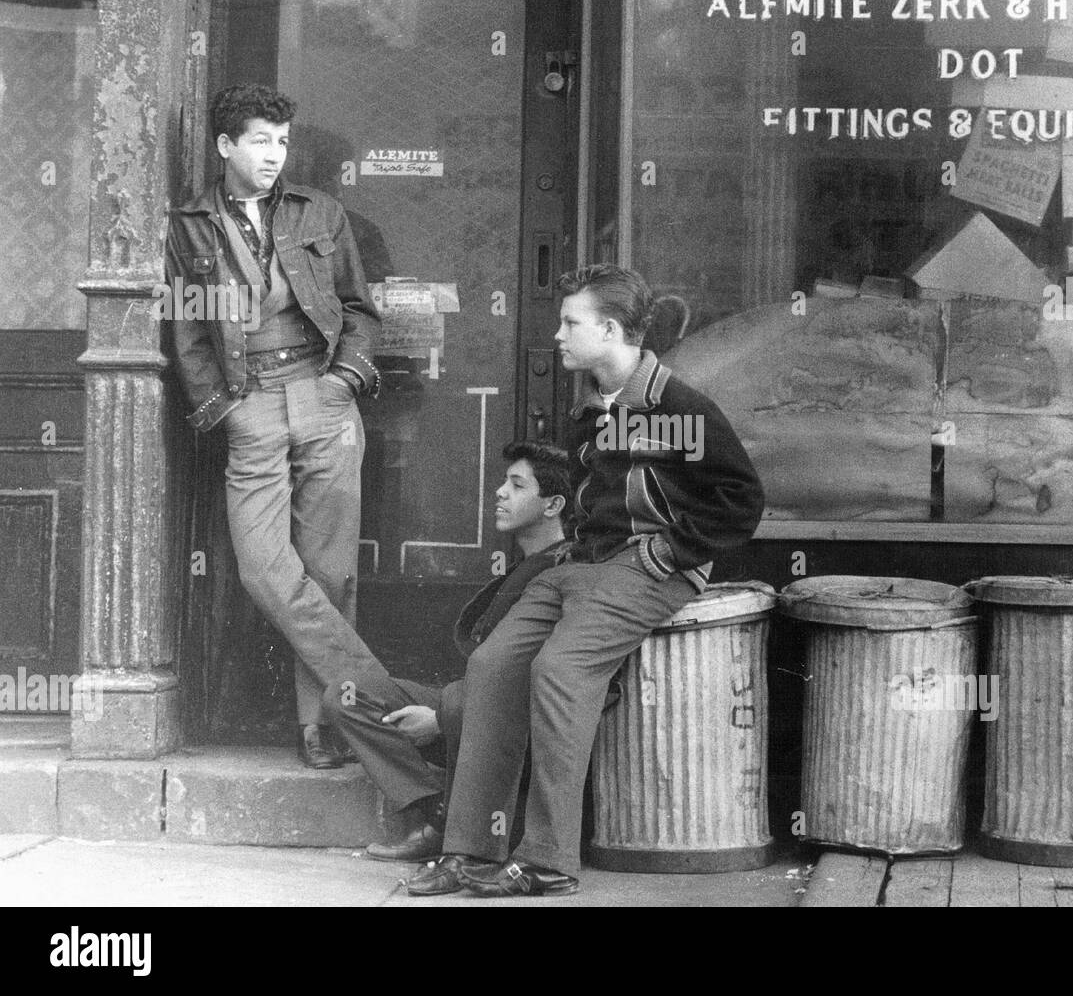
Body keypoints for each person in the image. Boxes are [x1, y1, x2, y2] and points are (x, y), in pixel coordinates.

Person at [410, 263, 765, 898]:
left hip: (648, 568)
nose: (558, 335)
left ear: (608, 328)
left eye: (570, 323)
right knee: (492, 665)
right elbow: (590, 487)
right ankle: (469, 851)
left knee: (561, 670)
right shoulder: (590, 412)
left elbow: (740, 500)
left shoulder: (678, 407)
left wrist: (672, 552)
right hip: (585, 564)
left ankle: (547, 860)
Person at [166, 83, 385, 769]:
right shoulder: (189, 226)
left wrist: (343, 381)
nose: (273, 154)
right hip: (250, 402)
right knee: (266, 571)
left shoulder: (320, 212)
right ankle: (383, 700)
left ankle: (327, 726)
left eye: (282, 141)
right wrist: (225, 411)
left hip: (322, 397)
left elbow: (360, 309)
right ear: (225, 145)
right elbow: (187, 332)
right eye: (260, 140)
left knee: (329, 574)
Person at [320, 441, 572, 863]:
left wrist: (440, 719)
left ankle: (455, 826)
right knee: (345, 694)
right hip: (468, 705)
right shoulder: (526, 562)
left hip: (512, 728)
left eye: (517, 485)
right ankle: (440, 809)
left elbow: (541, 678)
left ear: (553, 504)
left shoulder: (564, 571)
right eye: (503, 482)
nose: (499, 492)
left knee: (455, 704)